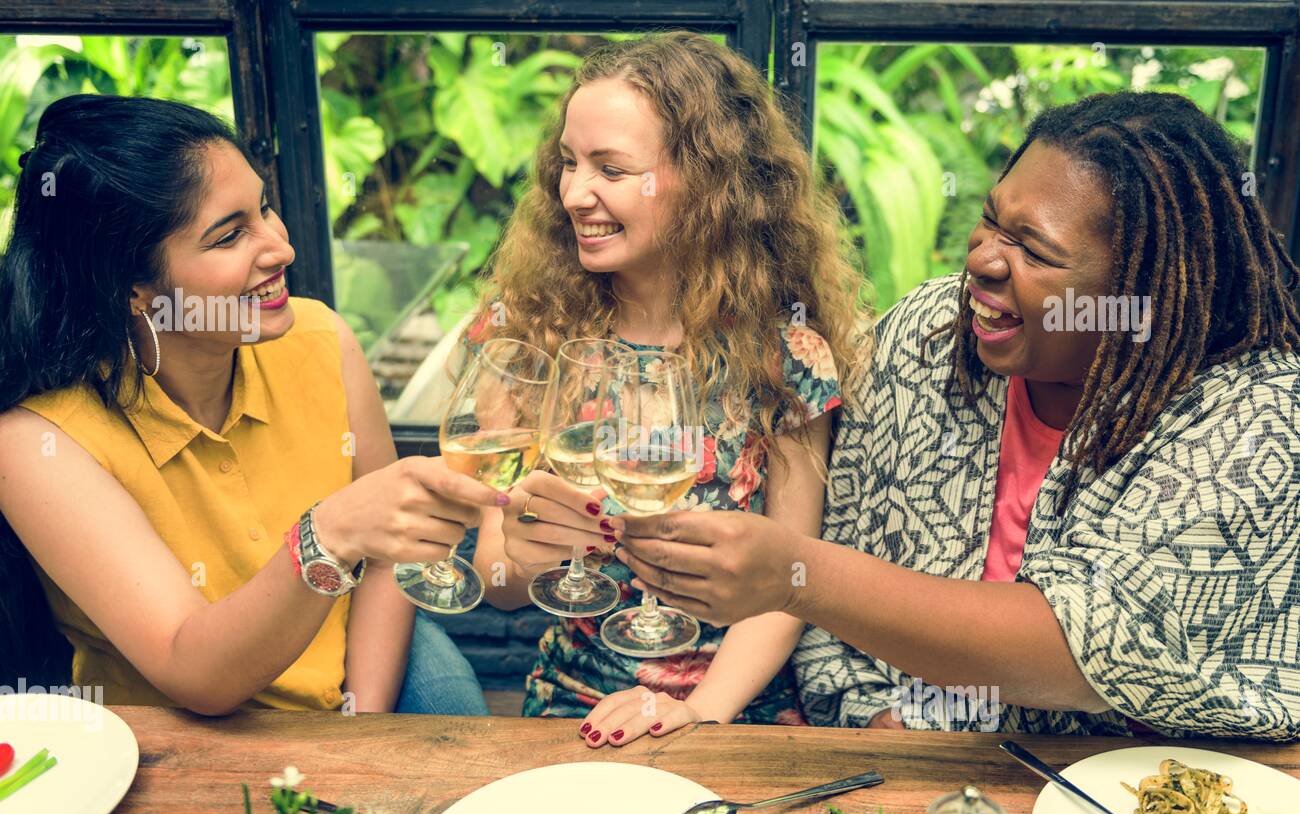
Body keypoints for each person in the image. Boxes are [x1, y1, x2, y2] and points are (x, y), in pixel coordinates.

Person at [611, 90, 1300, 741]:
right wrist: (870, 712)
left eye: (1034, 250)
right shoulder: (932, 334)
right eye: (992, 218)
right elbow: (848, 544)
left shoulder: (1254, 417)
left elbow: (1082, 646)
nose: (983, 258)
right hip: (921, 779)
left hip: (1163, 797)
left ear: (1140, 292)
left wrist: (798, 575)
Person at [0, 94, 493, 715]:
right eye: (230, 235)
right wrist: (329, 534)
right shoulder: (40, 441)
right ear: (132, 288)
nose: (280, 248)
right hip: (178, 722)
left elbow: (387, 564)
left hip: (341, 657)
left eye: (264, 208)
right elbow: (194, 671)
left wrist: (359, 724)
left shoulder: (319, 340)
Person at [456, 31, 862, 745]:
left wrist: (700, 708)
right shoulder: (527, 329)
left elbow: (791, 579)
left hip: (738, 707)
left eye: (610, 169)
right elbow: (495, 576)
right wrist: (523, 547)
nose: (575, 193)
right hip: (571, 701)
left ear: (707, 182)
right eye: (568, 164)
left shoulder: (782, 351)